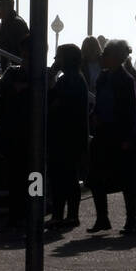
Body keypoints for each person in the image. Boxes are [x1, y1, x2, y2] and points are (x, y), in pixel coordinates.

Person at [88, 40, 136, 234]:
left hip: (121, 135)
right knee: (97, 177)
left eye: (106, 54)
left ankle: (132, 220)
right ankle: (102, 218)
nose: (102, 57)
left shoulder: (126, 80)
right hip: (103, 132)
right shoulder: (103, 78)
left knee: (128, 180)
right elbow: (99, 103)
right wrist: (94, 116)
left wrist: (129, 138)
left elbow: (132, 111)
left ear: (115, 57)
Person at [0, 33, 32, 229]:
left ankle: (24, 211)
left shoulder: (14, 73)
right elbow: (4, 88)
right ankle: (23, 211)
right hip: (21, 133)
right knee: (20, 175)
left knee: (23, 175)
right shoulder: (16, 73)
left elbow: (5, 88)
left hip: (20, 132)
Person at [48, 43, 90, 228]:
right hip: (73, 134)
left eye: (58, 56)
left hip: (64, 135)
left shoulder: (68, 80)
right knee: (69, 176)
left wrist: (51, 73)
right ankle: (70, 214)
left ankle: (60, 214)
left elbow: (54, 102)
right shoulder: (76, 78)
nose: (55, 60)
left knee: (61, 177)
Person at [0, 0, 29, 64]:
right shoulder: (11, 22)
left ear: (6, 7)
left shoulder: (15, 24)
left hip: (16, 67)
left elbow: (14, 50)